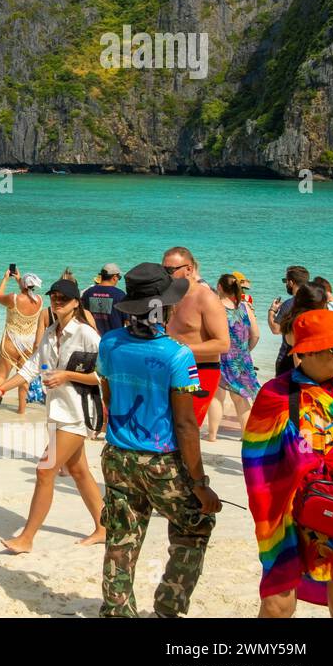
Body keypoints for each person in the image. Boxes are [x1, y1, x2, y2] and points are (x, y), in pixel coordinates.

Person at [97, 263, 221, 617]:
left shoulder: (110, 343)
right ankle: (169, 605)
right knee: (196, 525)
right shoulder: (176, 354)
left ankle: (117, 610)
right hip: (161, 462)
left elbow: (109, 396)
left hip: (118, 455)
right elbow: (184, 425)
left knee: (122, 537)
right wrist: (199, 483)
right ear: (163, 307)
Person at [243, 310, 333, 617]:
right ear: (308, 351)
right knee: (277, 601)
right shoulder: (276, 395)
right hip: (288, 514)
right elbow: (257, 463)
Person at [0, 279, 105, 553]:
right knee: (79, 471)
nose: (57, 302)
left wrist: (67, 375)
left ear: (76, 303)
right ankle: (104, 527)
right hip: (57, 412)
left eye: (63, 299)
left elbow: (103, 376)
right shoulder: (52, 331)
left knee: (44, 471)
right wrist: (1, 388)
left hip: (77, 415)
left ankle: (27, 538)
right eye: (54, 297)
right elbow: (32, 368)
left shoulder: (86, 335)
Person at [162, 246, 230, 426]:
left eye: (171, 270)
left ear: (189, 269)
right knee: (165, 427)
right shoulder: (168, 296)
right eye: (164, 270)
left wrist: (180, 350)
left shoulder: (206, 298)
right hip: (170, 369)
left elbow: (223, 344)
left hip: (200, 370)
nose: (166, 275)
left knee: (186, 427)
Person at [208, 273, 261, 443]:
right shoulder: (245, 307)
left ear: (219, 287)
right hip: (242, 358)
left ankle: (212, 436)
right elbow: (256, 335)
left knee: (217, 396)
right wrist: (245, 351)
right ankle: (246, 436)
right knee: (241, 397)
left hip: (220, 356)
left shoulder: (215, 307)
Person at [0, 269, 43, 412]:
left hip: (11, 342)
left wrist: (6, 278)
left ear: (23, 285)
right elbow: (27, 291)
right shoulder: (39, 300)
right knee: (23, 376)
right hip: (28, 345)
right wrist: (20, 279)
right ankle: (21, 411)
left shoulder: (14, 298)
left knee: (1, 375)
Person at [276, 281, 329, 375]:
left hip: (289, 369)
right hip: (300, 374)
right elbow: (299, 359)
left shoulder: (293, 319)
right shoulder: (303, 323)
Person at [269, 265, 311, 374]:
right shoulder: (313, 303)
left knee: (282, 390)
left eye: (285, 281)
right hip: (309, 357)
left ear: (291, 282)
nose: (286, 284)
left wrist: (272, 311)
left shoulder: (289, 304)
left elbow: (276, 329)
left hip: (287, 357)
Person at [82, 263, 127, 333]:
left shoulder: (88, 293)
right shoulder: (120, 295)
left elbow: (82, 315)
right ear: (114, 277)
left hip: (92, 337)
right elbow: (127, 321)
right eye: (119, 278)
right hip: (113, 339)